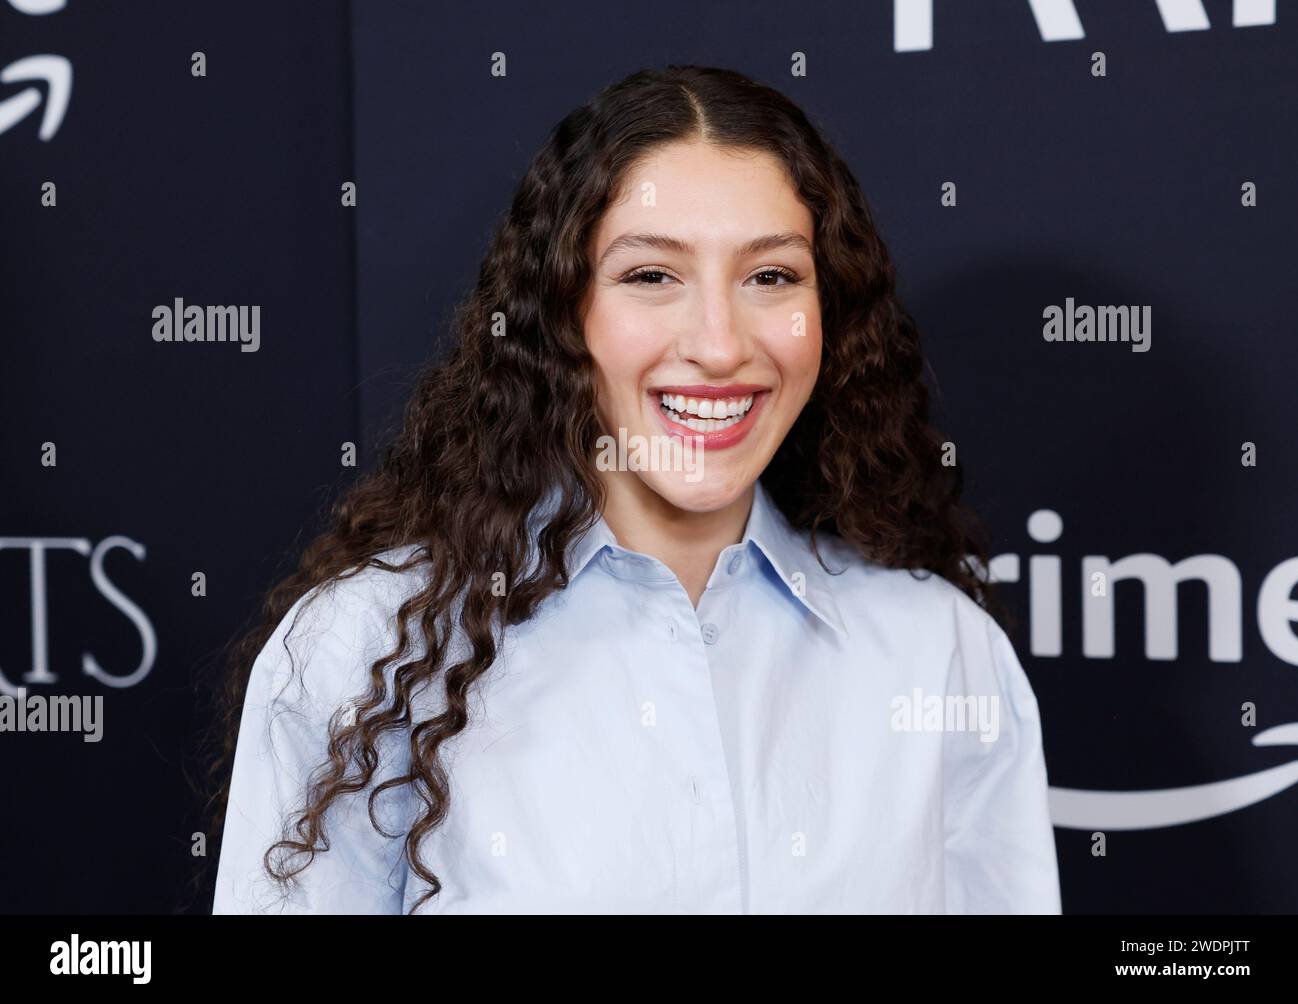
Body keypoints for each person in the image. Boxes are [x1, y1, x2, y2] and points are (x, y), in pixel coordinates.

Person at [209, 65, 1061, 915]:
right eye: (652, 276)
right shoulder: (360, 650)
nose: (720, 346)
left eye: (771, 277)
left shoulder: (940, 653)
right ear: (560, 312)